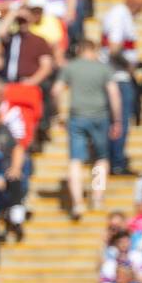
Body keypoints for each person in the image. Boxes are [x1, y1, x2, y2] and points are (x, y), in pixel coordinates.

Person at [52, 39, 121, 219]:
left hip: (77, 116)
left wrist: (59, 114)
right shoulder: (103, 68)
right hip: (100, 116)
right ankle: (97, 197)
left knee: (75, 160)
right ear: (93, 50)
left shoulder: (70, 67)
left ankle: (77, 203)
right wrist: (117, 120)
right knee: (101, 158)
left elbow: (56, 91)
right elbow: (114, 94)